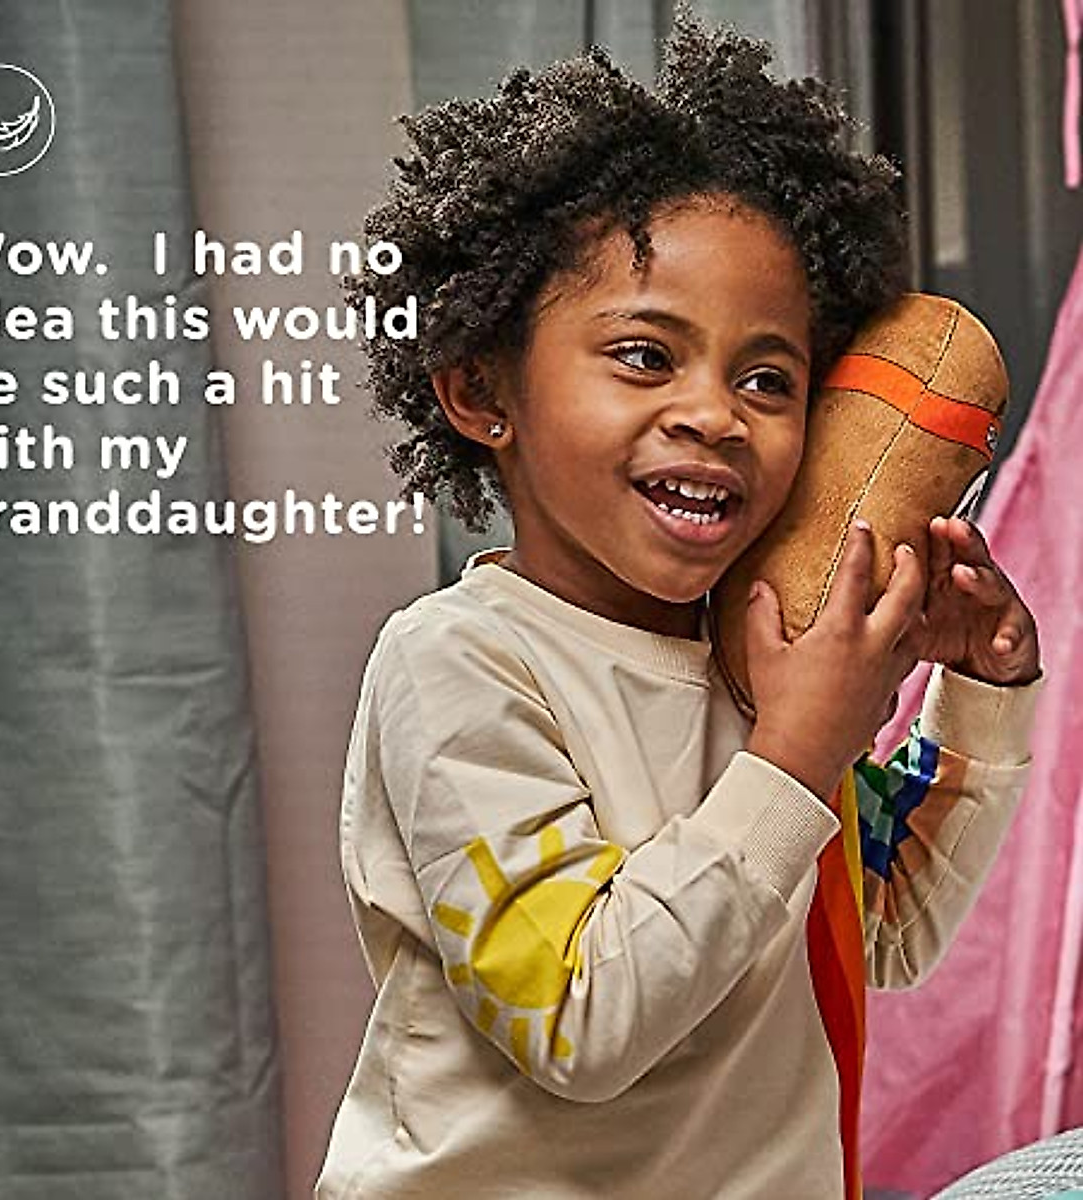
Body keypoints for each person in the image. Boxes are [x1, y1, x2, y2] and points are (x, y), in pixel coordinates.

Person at [317, 9, 1041, 1198]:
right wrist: (796, 753)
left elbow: (885, 931)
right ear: (482, 389)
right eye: (647, 356)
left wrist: (979, 695)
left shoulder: (760, 659)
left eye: (768, 378)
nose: (716, 415)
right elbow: (579, 1018)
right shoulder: (458, 666)